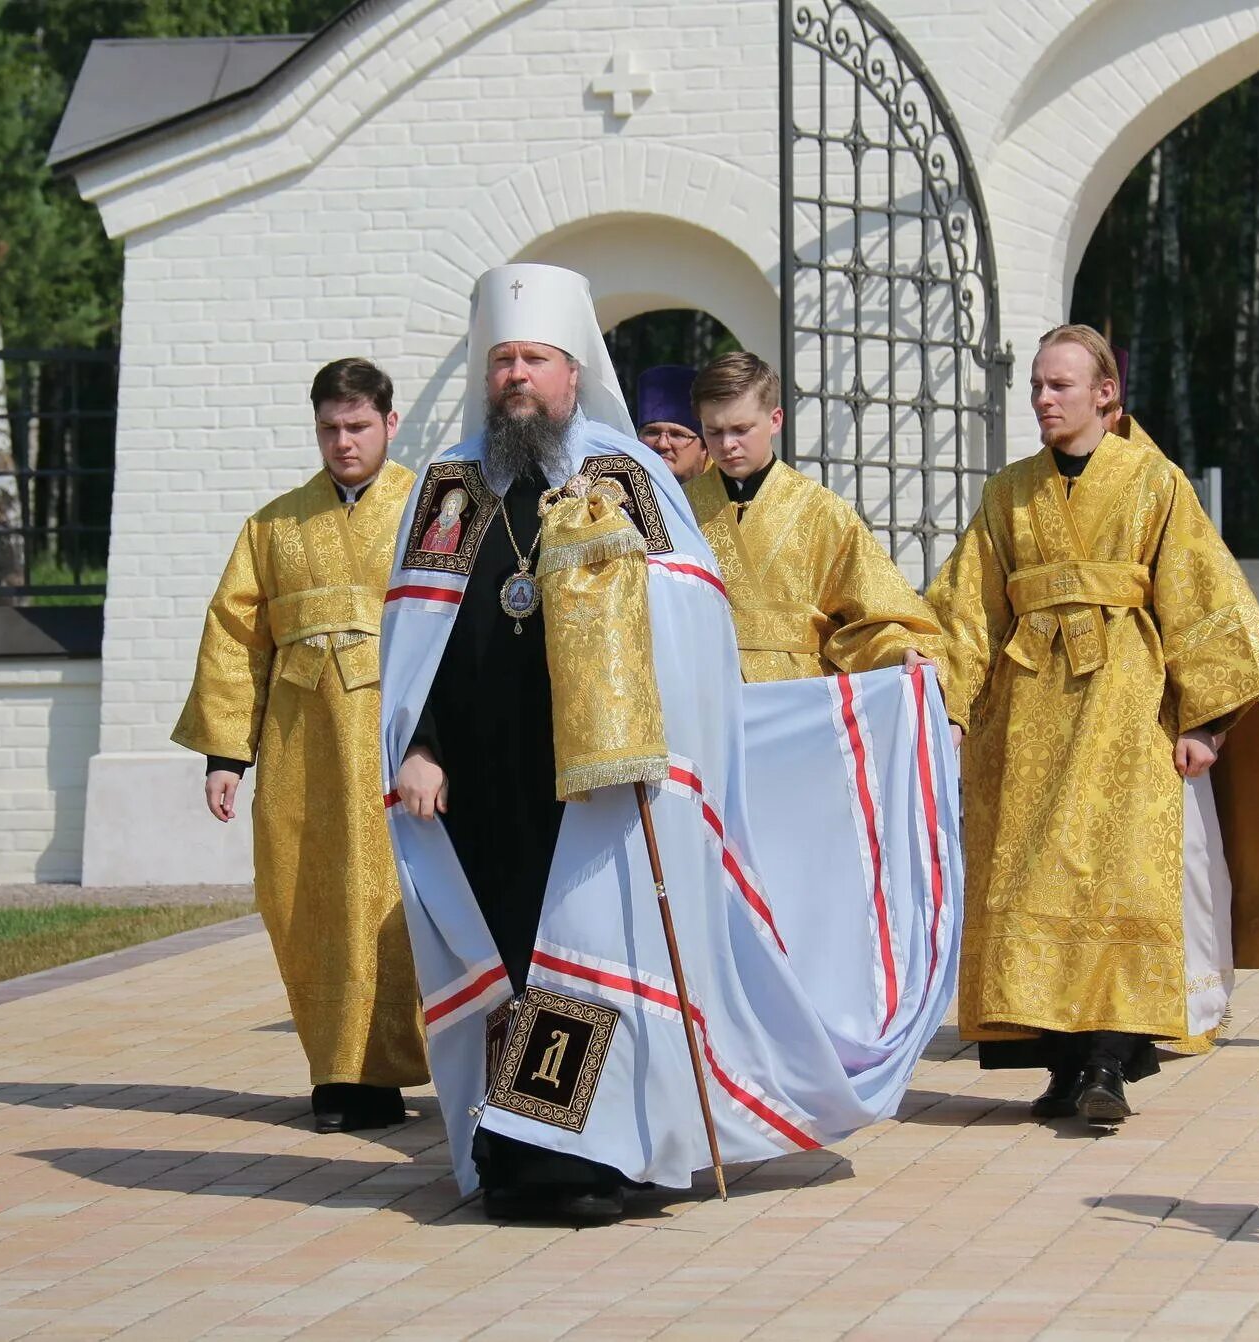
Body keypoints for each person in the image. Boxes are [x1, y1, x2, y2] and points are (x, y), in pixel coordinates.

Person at [379, 263, 962, 1224]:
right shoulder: (448, 487)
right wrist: (420, 747)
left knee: (591, 957)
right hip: (477, 779)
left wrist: (656, 743)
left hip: (604, 780)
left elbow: (691, 622)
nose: (517, 375)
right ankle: (516, 1152)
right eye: (503, 359)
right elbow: (421, 639)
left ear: (574, 372)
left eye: (536, 358)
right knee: (508, 959)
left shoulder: (625, 474)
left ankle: (585, 1160)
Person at [925, 324, 1259, 1125]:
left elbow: (1200, 600)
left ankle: (1110, 1063)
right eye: (1035, 384)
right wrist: (950, 706)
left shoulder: (1155, 482)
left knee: (1120, 878)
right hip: (1027, 721)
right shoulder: (1007, 492)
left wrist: (1206, 721)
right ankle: (1062, 1065)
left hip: (1126, 711)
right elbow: (966, 607)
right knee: (1032, 883)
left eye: (1058, 385)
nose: (1041, 398)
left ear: (1106, 394)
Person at [172, 357, 429, 1133]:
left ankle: (391, 1069)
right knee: (304, 900)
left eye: (357, 427)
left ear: (390, 423)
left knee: (394, 905)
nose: (343, 443)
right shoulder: (273, 525)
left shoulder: (435, 513)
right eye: (329, 429)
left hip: (399, 746)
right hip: (301, 750)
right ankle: (334, 1074)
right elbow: (236, 639)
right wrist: (227, 755)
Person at [683, 353, 942, 683]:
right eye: (713, 431)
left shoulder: (822, 510)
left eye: (741, 429)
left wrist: (899, 651)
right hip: (703, 690)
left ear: (775, 420)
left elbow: (873, 612)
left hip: (798, 698)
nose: (727, 444)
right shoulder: (680, 507)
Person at [634, 364, 708, 483]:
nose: (662, 444)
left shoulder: (729, 498)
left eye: (677, 434)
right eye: (652, 433)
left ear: (705, 446)